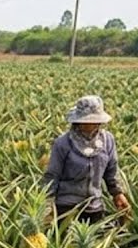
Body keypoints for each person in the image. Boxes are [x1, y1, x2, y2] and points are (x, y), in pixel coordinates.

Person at [42, 95, 128, 224]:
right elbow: (52, 175)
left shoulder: (107, 140)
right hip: (67, 207)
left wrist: (117, 193)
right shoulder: (63, 143)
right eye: (86, 121)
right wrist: (47, 205)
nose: (90, 124)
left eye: (94, 121)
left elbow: (112, 171)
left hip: (95, 206)